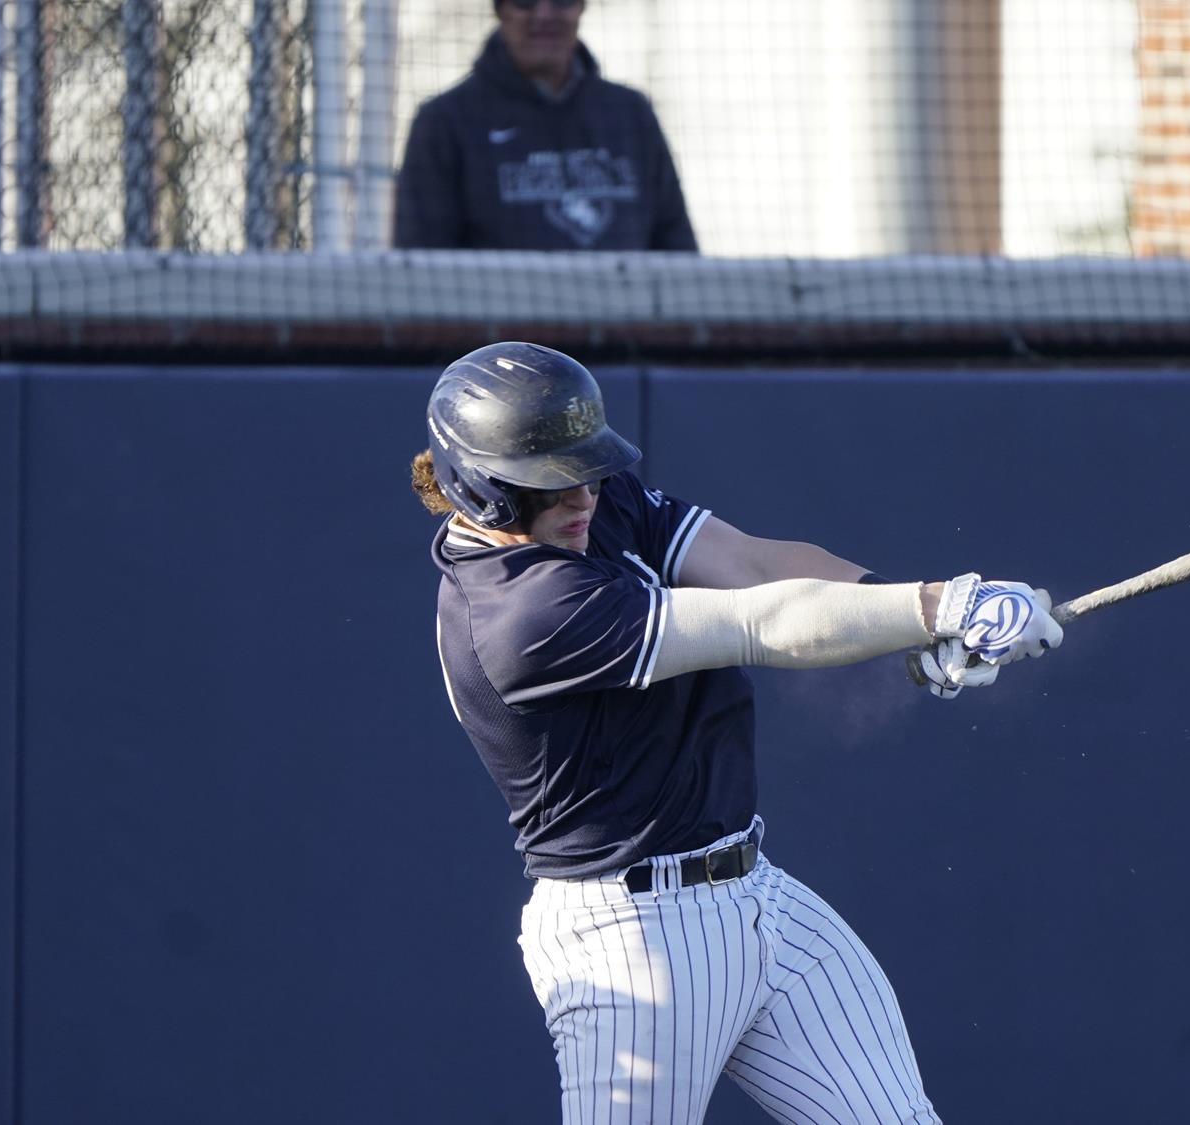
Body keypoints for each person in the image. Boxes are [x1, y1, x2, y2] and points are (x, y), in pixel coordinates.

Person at [415, 341, 1061, 1123]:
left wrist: (908, 617)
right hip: (631, 939)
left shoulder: (584, 505)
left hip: (760, 900)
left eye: (585, 469)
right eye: (553, 482)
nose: (581, 494)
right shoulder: (522, 615)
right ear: (480, 490)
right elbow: (760, 621)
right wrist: (939, 606)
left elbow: (755, 567)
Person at [393, 0, 697, 251]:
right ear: (501, 10)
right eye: (525, 3)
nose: (544, 15)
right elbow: (423, 263)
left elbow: (676, 245)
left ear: (581, 8)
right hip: (499, 324)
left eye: (562, 2)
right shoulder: (445, 121)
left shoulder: (631, 114)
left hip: (624, 322)